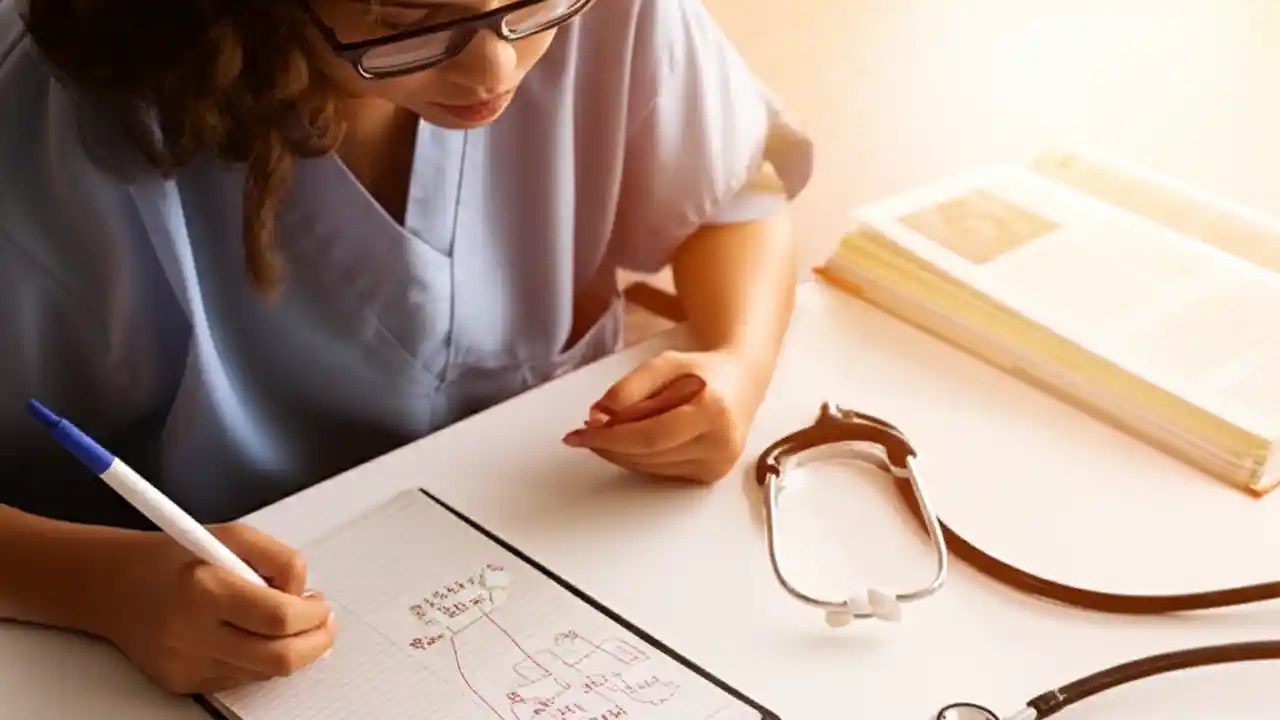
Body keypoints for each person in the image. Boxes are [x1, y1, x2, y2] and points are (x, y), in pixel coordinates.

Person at [0, 0, 810, 697]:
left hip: (562, 543)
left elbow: (735, 190)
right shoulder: (49, 119)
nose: (493, 69)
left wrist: (738, 359)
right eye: (404, 20)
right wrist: (96, 584)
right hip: (184, 632)